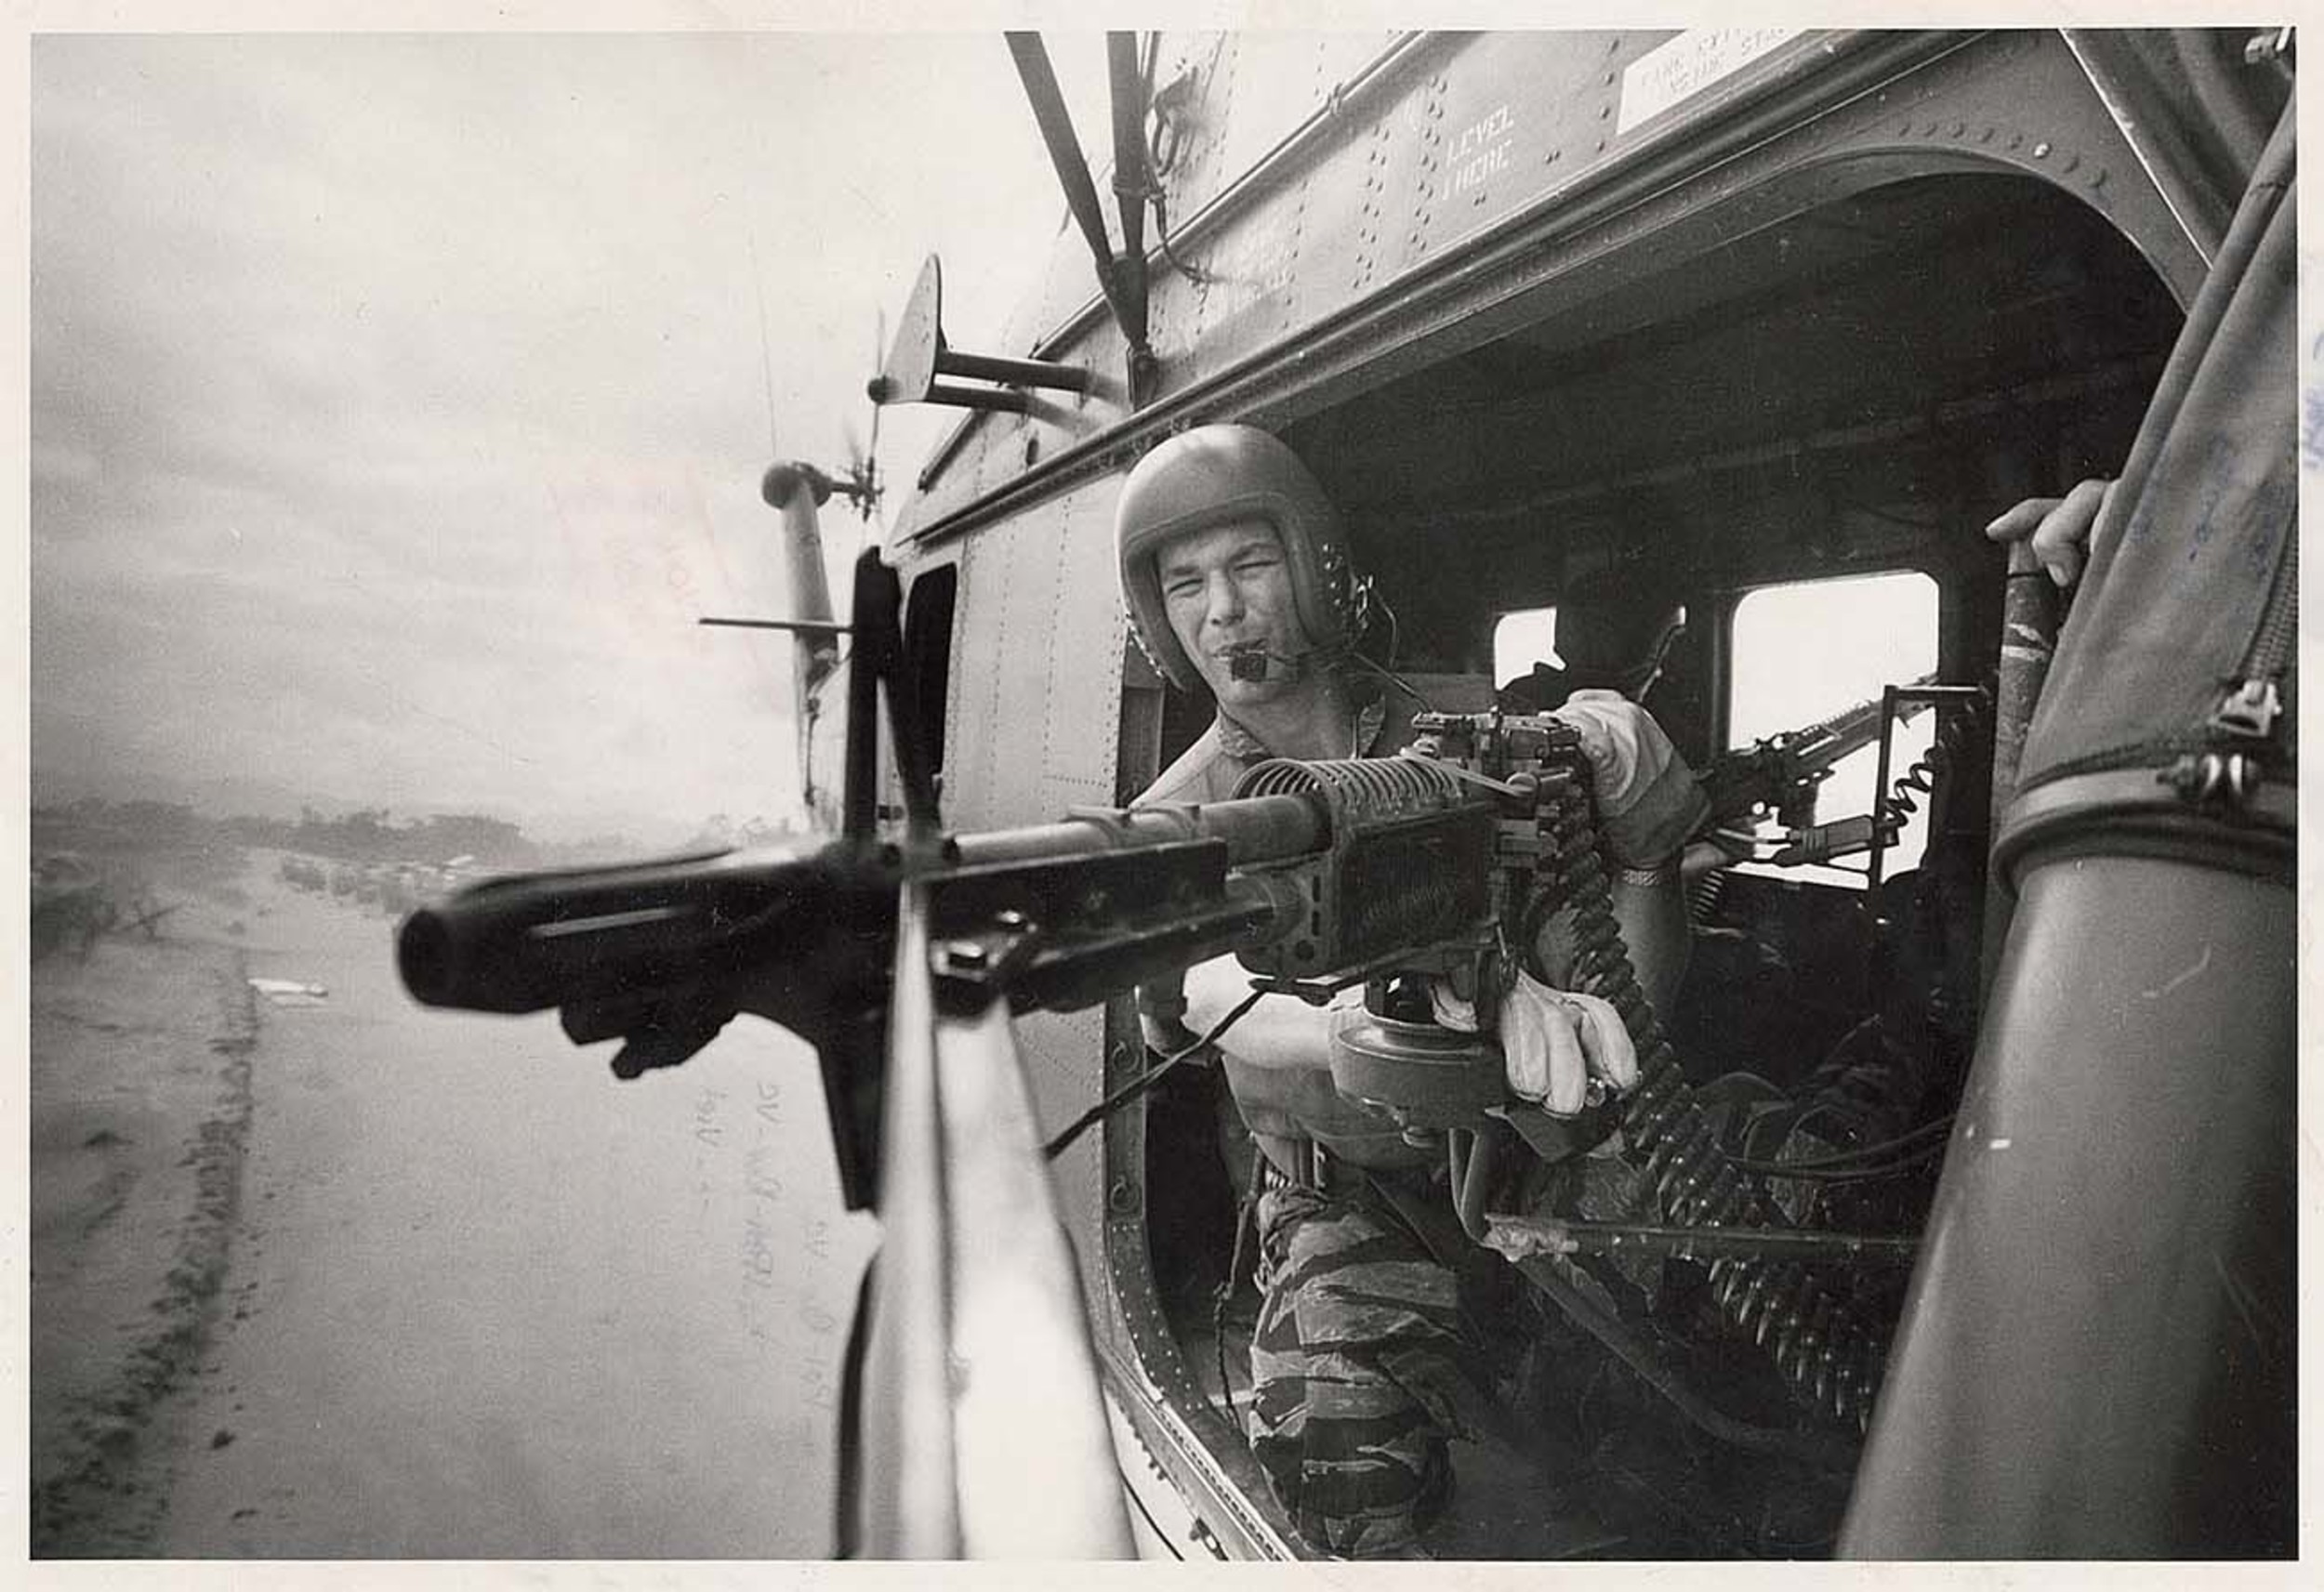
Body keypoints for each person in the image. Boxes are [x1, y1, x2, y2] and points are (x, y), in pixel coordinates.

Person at [1115, 424, 1707, 1556]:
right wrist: (1352, 1024)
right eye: (1186, 585)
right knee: (1350, 1468)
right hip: (1348, 1190)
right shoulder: (1176, 822)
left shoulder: (1480, 731)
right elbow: (1197, 995)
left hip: (1535, 1148)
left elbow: (1629, 1010)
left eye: (1249, 566)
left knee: (1692, 1387)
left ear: (1315, 566)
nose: (1222, 612)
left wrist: (1644, 857)